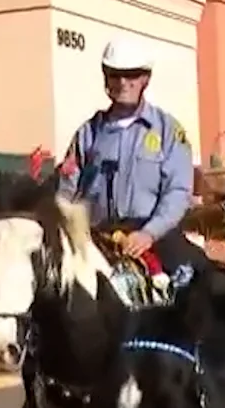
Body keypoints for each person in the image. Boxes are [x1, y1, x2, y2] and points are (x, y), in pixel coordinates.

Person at [55, 36, 210, 288]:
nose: (123, 82)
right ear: (106, 78)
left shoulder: (168, 131)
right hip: (96, 237)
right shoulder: (88, 133)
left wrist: (149, 233)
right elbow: (67, 190)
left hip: (154, 236)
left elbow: (178, 191)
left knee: (198, 281)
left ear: (145, 79)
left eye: (131, 75)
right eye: (115, 75)